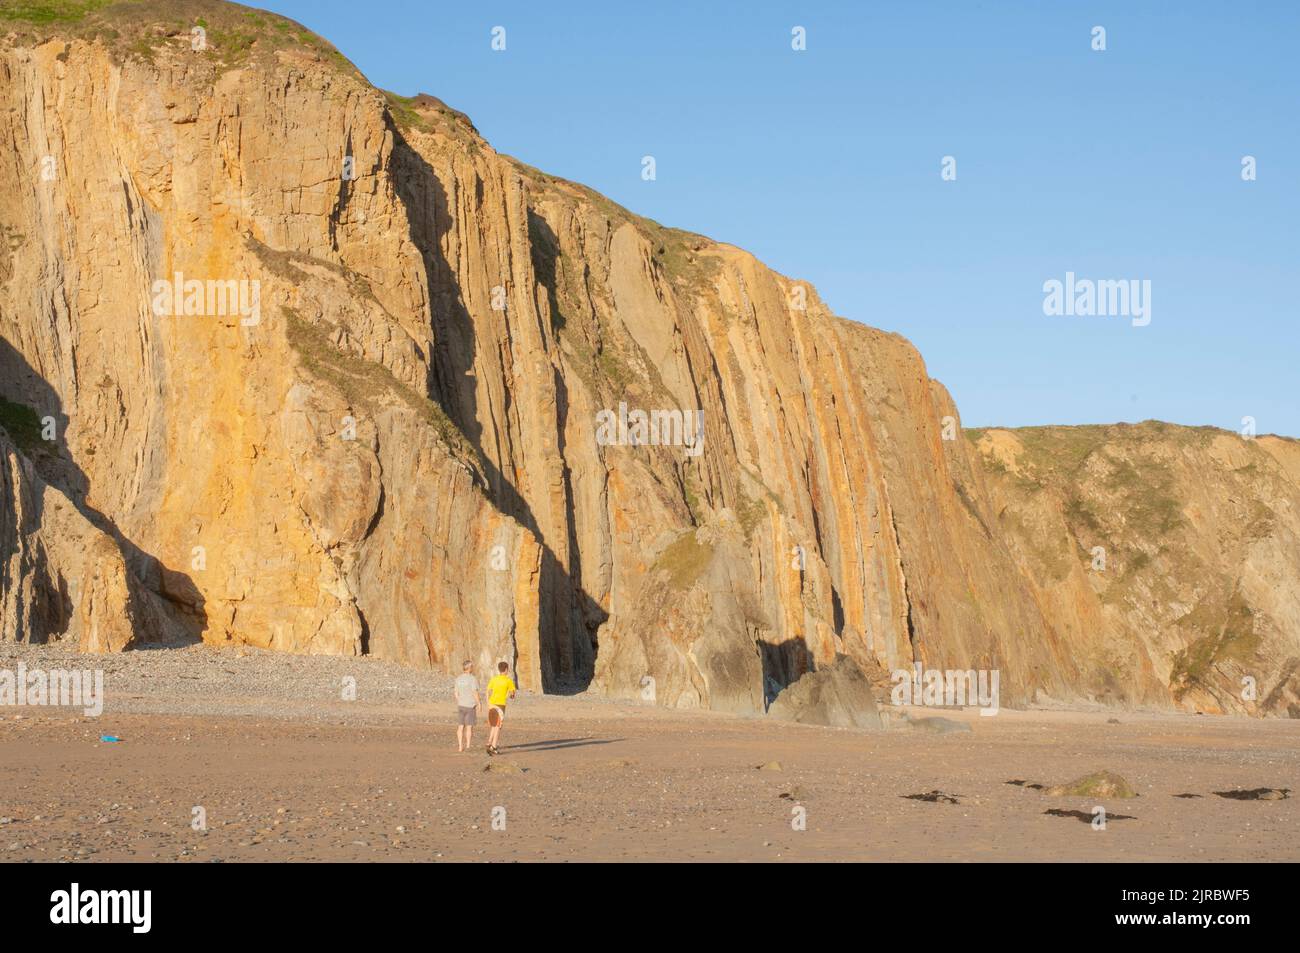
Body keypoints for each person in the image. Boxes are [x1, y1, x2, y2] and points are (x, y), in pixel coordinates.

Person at [484, 660, 517, 756]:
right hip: (500, 705)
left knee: (494, 724)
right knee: (498, 726)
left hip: (492, 703)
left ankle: (489, 742)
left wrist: (488, 703)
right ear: (506, 670)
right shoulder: (508, 680)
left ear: (499, 669)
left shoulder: (494, 679)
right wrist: (511, 695)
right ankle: (493, 747)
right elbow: (512, 694)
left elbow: (488, 691)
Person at [453, 660, 481, 752]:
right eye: (472, 667)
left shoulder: (458, 679)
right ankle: (468, 746)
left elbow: (456, 693)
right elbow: (475, 692)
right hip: (470, 705)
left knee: (460, 726)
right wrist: (479, 703)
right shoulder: (472, 679)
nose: (473, 668)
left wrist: (460, 700)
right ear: (469, 668)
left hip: (461, 705)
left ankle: (460, 746)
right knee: (469, 727)